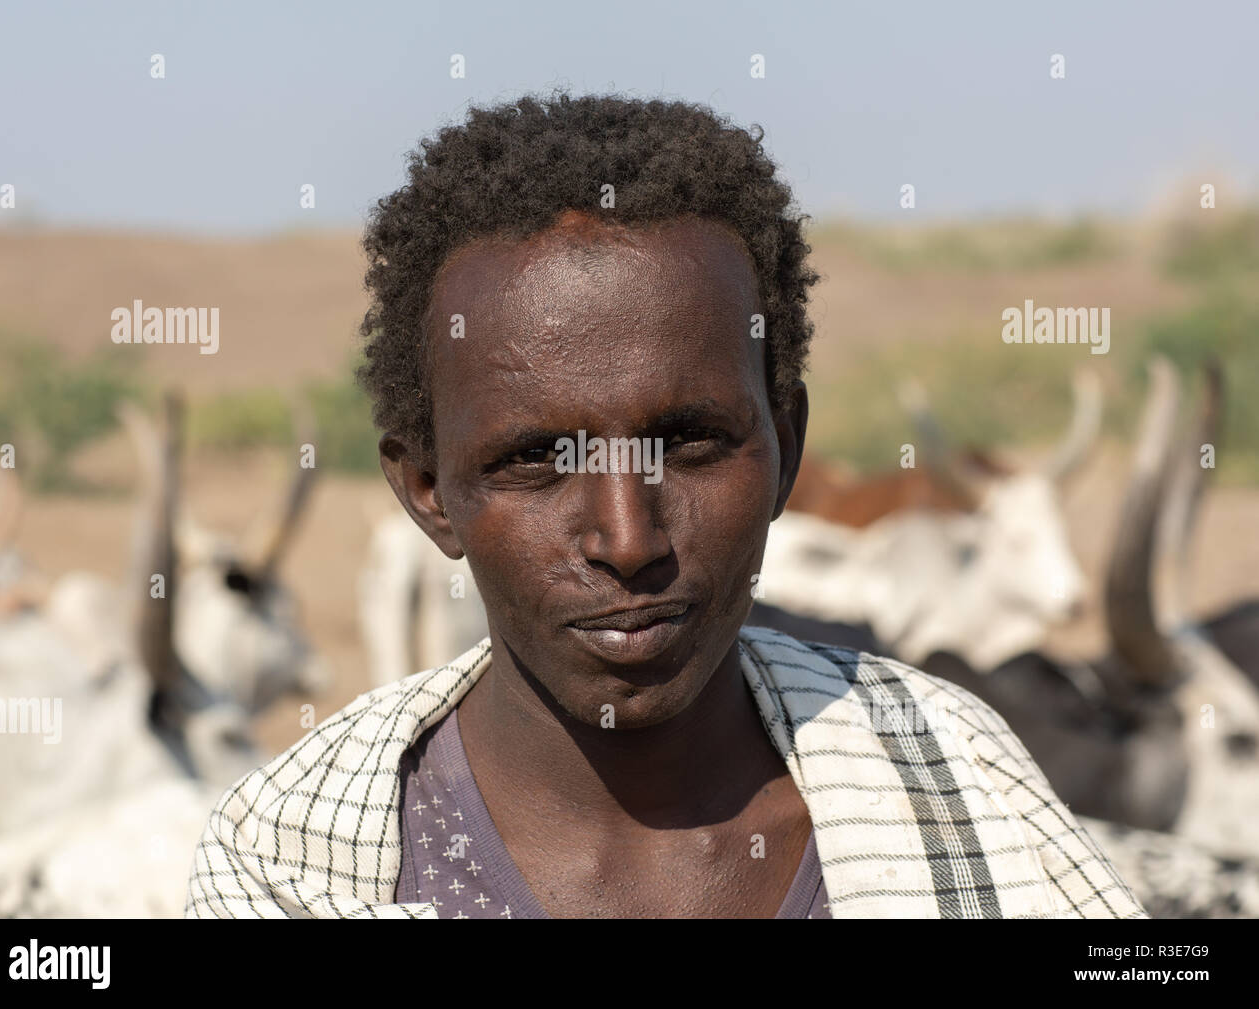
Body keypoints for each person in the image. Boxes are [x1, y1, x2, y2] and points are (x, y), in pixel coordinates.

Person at [185, 92, 1145, 919]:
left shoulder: (962, 790)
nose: (628, 537)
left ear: (786, 448)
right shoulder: (288, 863)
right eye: (536, 460)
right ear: (430, 492)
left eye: (689, 444)